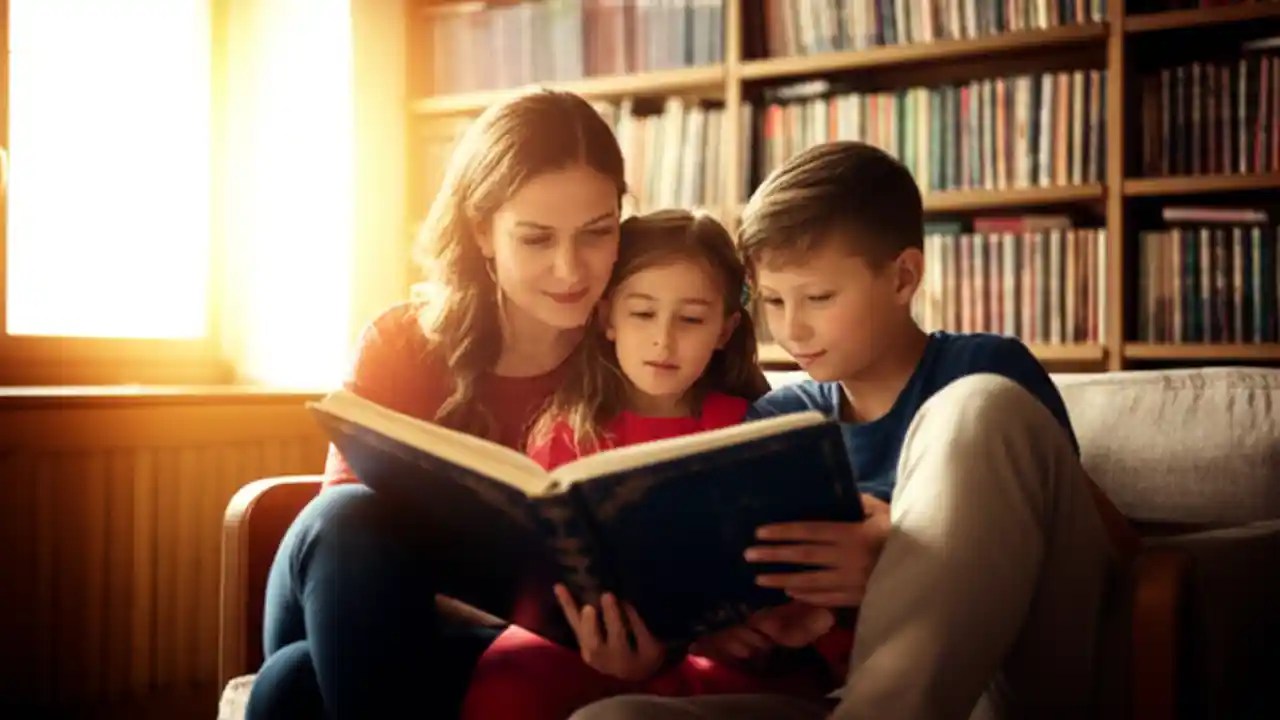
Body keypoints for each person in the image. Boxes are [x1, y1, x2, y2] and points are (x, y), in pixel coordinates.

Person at [567, 141, 1137, 720]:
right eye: (772, 301)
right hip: (841, 696)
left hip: (1004, 687)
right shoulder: (778, 424)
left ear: (903, 277)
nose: (793, 327)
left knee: (976, 407)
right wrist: (748, 623)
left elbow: (1103, 552)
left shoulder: (986, 370)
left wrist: (904, 559)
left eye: (818, 297)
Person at [244, 88, 630, 719]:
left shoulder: (653, 342)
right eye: (536, 239)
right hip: (390, 609)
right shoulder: (402, 343)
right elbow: (345, 554)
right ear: (482, 231)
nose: (571, 269)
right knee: (346, 517)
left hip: (542, 650)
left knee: (292, 684)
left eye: (597, 233)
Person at [460, 209, 846, 720]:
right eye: (643, 314)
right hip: (588, 648)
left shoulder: (752, 429)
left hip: (720, 658)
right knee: (507, 681)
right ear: (607, 319)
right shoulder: (566, 432)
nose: (664, 340)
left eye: (691, 319)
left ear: (726, 329)